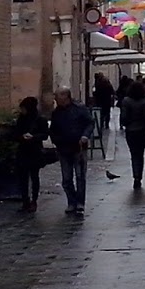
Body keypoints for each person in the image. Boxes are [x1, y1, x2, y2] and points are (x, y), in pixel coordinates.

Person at [49, 87, 93, 215]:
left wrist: (85, 136)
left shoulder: (79, 109)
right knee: (66, 179)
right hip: (63, 148)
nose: (55, 99)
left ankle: (80, 203)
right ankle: (71, 201)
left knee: (80, 177)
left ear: (65, 96)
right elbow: (53, 129)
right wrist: (56, 140)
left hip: (78, 148)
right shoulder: (56, 112)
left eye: (57, 96)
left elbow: (90, 123)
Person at [12, 95, 48, 213]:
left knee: (34, 176)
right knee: (22, 177)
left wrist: (33, 137)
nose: (22, 111)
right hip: (23, 151)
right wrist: (21, 137)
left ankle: (34, 201)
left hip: (34, 151)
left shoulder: (40, 119)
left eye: (23, 108)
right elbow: (15, 134)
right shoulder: (21, 119)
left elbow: (45, 135)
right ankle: (25, 201)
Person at [118, 79, 145, 189]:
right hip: (142, 130)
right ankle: (139, 176)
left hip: (131, 130)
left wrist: (124, 123)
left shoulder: (126, 101)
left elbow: (123, 116)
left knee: (134, 154)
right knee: (140, 153)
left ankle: (136, 176)